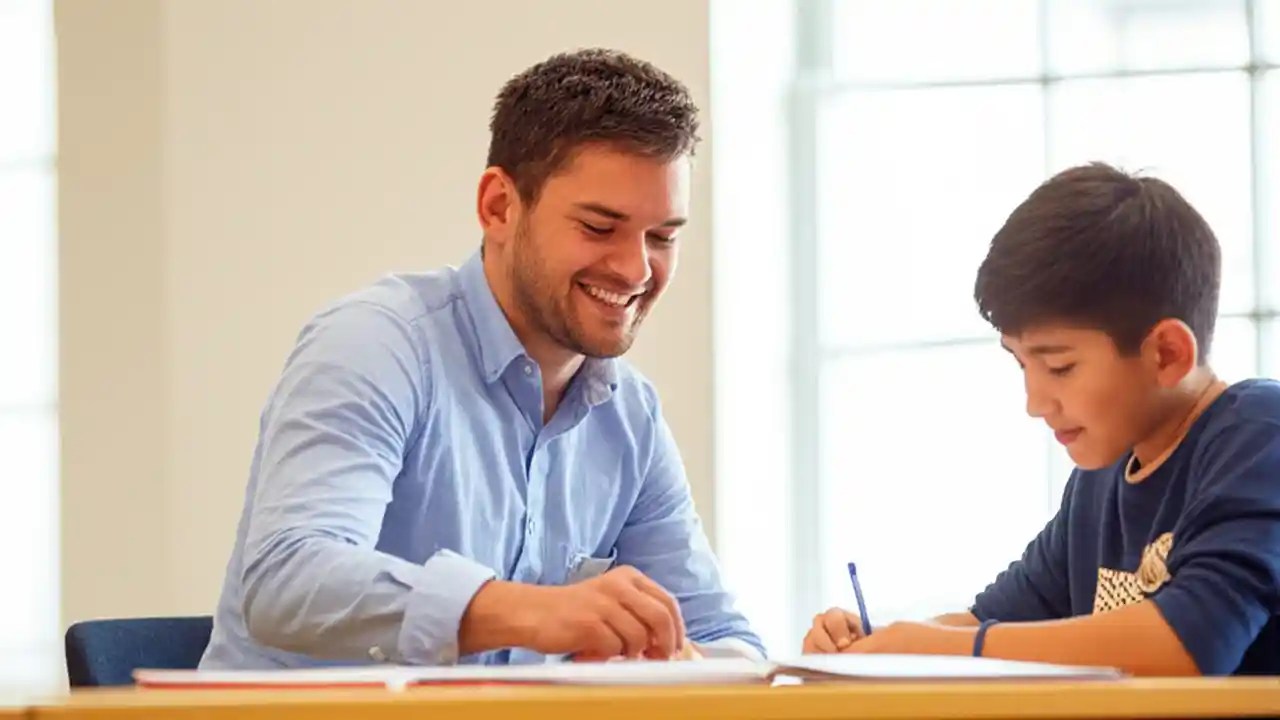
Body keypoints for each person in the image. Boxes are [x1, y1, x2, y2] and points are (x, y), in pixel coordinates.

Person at [200, 48, 762, 669]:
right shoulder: (377, 344)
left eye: (662, 237)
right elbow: (287, 579)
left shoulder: (631, 416)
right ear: (499, 206)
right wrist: (534, 612)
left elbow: (723, 636)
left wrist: (721, 666)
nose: (635, 270)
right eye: (599, 228)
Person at [802, 163, 1280, 676]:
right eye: (1021, 364)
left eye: (1059, 367)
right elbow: (990, 623)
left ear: (1167, 354)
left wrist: (940, 646)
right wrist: (874, 645)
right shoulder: (1099, 481)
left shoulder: (1258, 437)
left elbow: (1189, 644)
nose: (1035, 402)